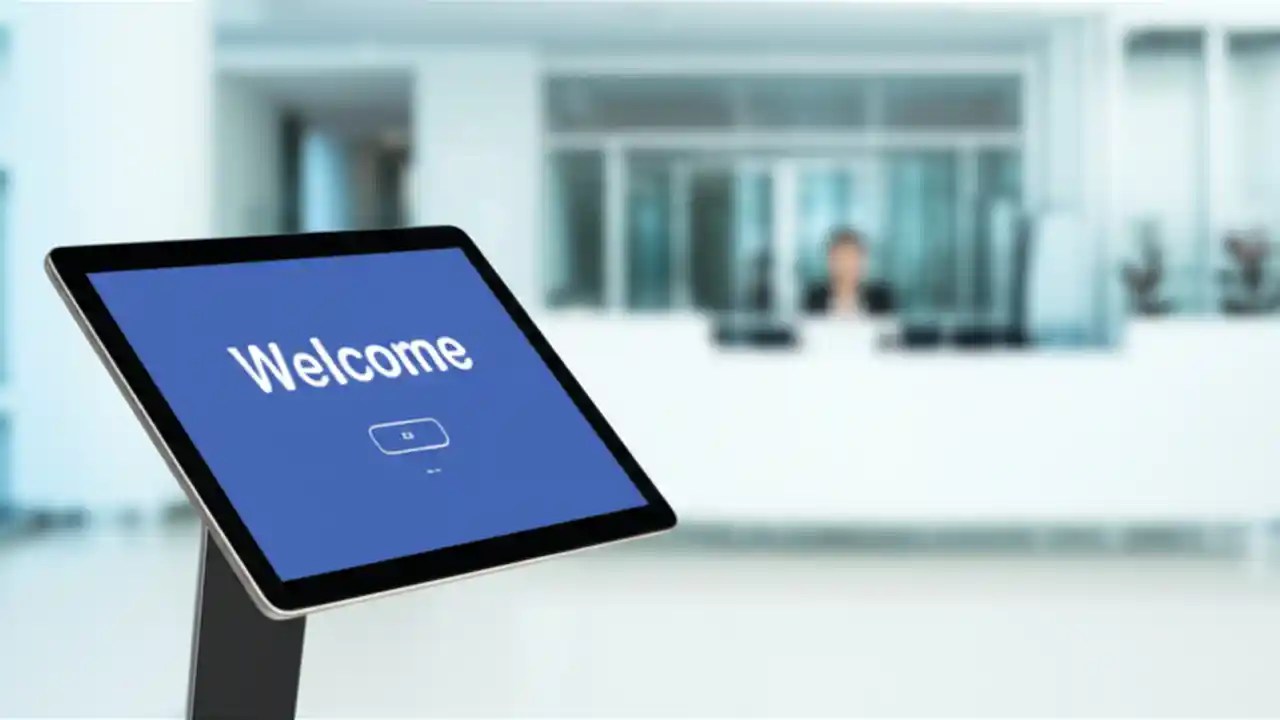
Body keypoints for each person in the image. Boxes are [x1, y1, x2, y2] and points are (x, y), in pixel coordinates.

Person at [803, 227, 893, 315]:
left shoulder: (880, 297)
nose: (847, 266)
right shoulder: (815, 297)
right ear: (830, 263)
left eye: (853, 258)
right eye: (842, 259)